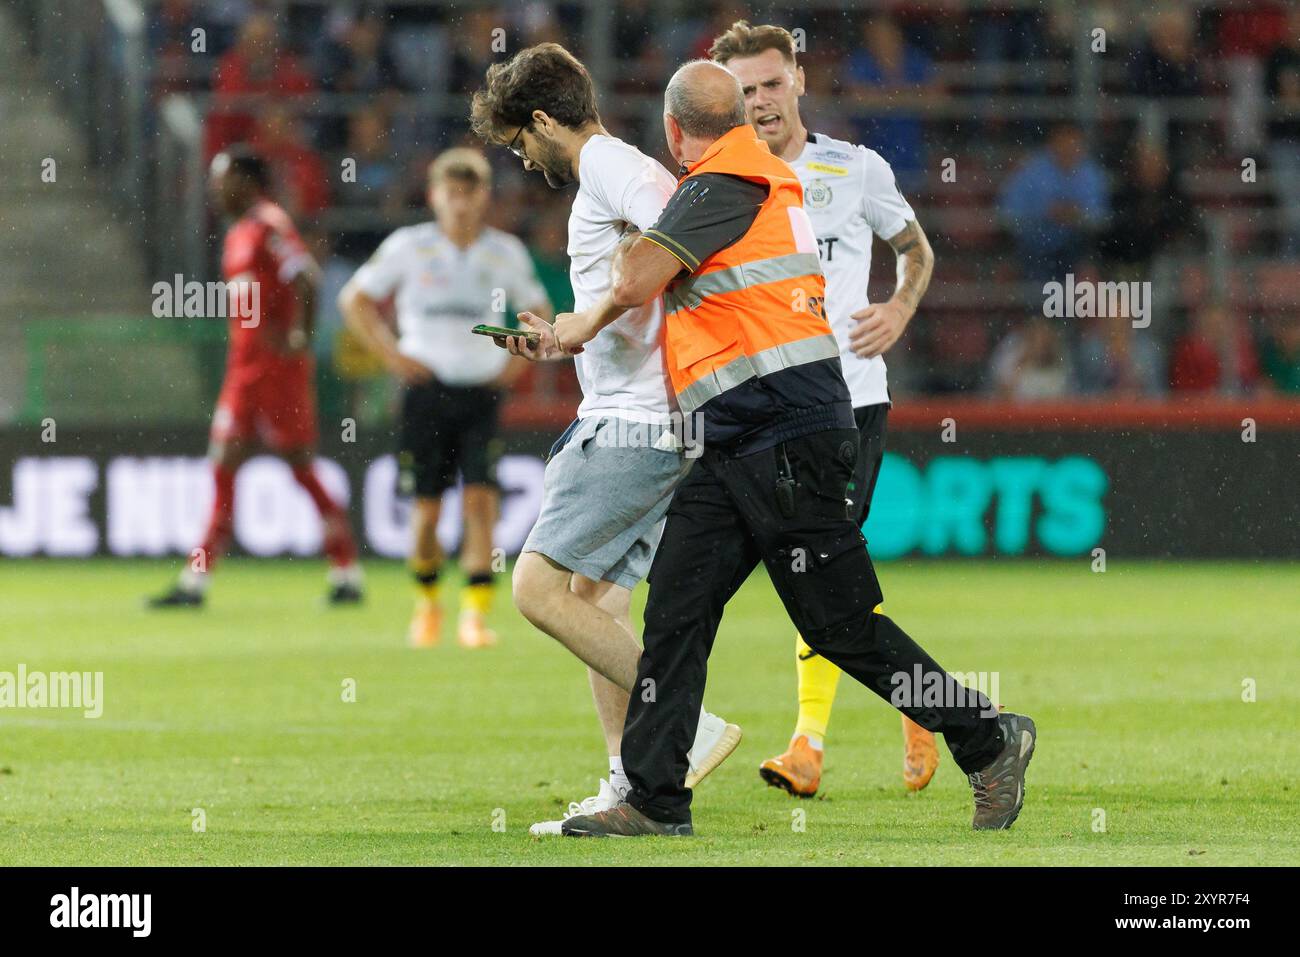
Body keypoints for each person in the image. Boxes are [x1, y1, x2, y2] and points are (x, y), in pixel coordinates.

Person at [553, 60, 1036, 837]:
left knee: (838, 624)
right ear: (737, 117)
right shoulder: (753, 177)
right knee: (678, 608)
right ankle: (654, 798)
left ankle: (986, 736)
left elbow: (640, 277)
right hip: (742, 434)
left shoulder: (724, 183)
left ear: (678, 135)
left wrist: (614, 262)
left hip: (784, 431)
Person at [468, 43, 741, 833]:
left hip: (635, 419)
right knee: (593, 600)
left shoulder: (612, 168)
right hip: (647, 408)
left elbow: (678, 243)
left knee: (535, 590)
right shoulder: (618, 173)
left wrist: (592, 315)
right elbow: (651, 270)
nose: (527, 159)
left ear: (547, 120)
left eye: (523, 143)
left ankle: (689, 728)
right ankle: (630, 782)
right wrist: (562, 337)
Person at [710, 20, 940, 796]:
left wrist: (899, 310)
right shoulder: (718, 185)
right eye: (743, 91)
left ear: (799, 79)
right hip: (759, 406)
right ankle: (924, 694)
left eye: (772, 83)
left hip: (846, 404)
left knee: (818, 569)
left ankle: (809, 744)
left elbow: (916, 248)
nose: (761, 101)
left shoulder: (855, 167)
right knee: (817, 576)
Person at [339, 148, 547, 648]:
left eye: (469, 192)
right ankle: (428, 603)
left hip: (480, 393)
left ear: (484, 197)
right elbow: (355, 300)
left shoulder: (505, 253)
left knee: (480, 501)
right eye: (451, 193)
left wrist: (515, 365)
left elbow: (538, 310)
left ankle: (474, 615)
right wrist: (391, 357)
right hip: (424, 393)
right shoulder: (409, 247)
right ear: (434, 196)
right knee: (427, 510)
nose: (460, 203)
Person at [149, 147, 363, 608]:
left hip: (277, 374)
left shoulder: (268, 224)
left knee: (301, 469)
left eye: (221, 179)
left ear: (246, 181)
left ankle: (346, 571)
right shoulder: (238, 232)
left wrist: (300, 338)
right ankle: (195, 581)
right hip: (244, 373)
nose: (214, 189)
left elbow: (307, 276)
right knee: (222, 468)